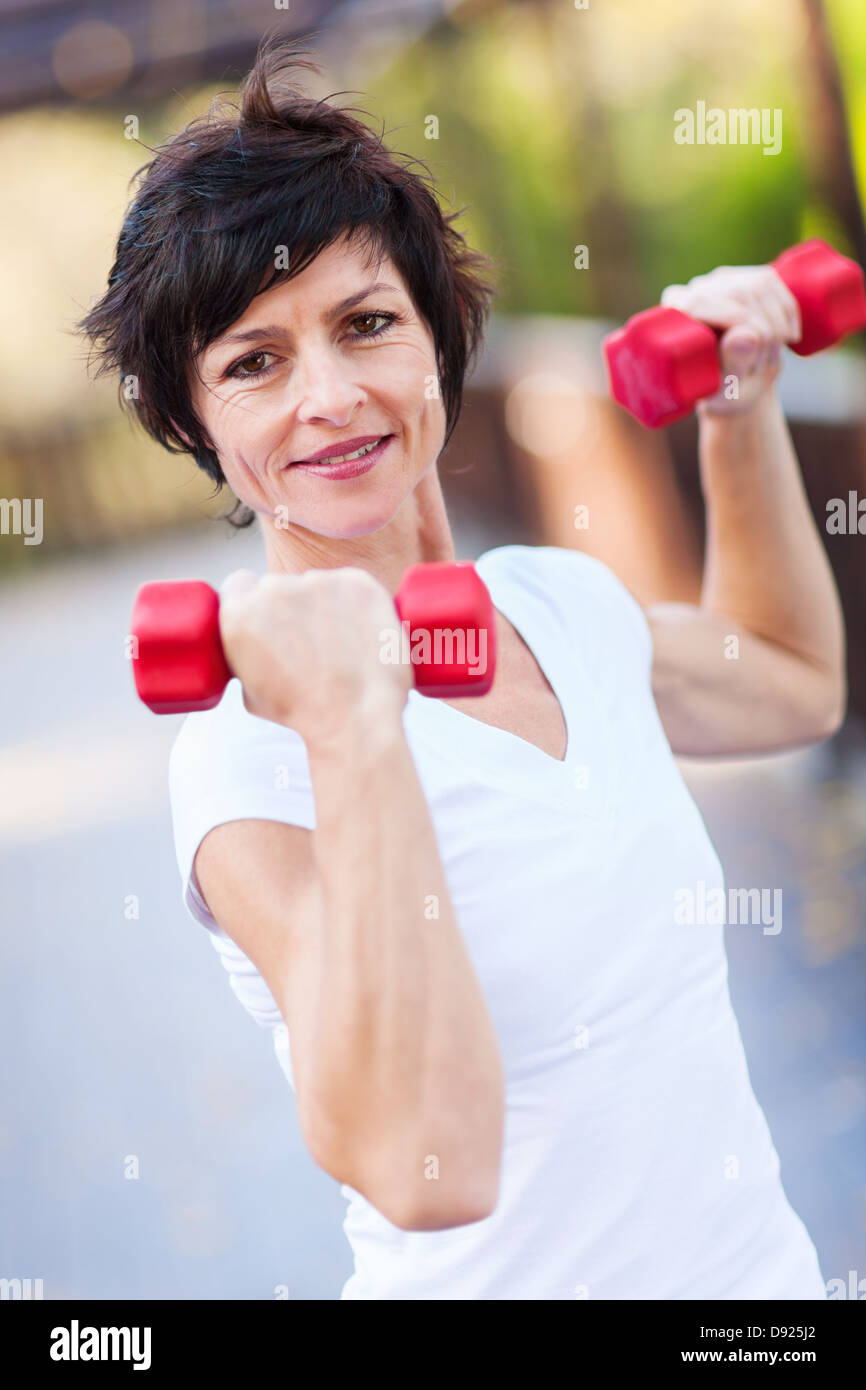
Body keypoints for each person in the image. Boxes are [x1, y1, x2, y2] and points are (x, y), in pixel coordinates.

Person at [77, 32, 845, 1299]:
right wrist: (351, 718)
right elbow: (425, 1164)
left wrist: (739, 400)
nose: (328, 395)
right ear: (188, 421)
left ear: (436, 336)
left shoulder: (558, 602)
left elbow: (784, 675)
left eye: (366, 323)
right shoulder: (249, 754)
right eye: (253, 362)